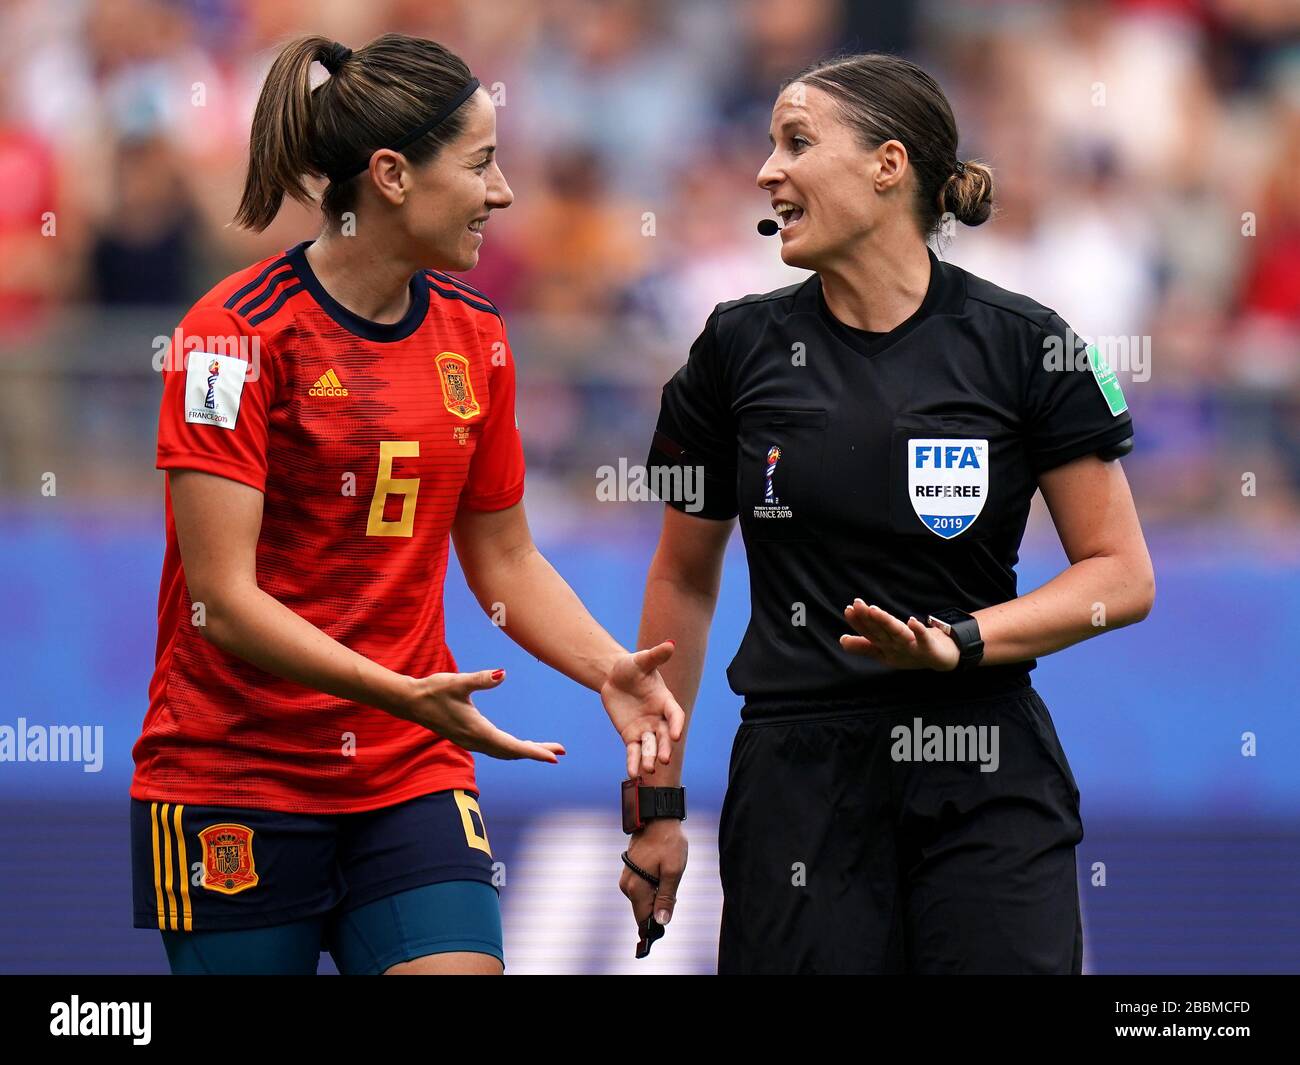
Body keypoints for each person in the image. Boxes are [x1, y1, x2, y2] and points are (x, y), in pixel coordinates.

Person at [130, 33, 683, 976]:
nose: (503, 193)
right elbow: (218, 600)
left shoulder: (480, 337)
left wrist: (606, 670)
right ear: (390, 175)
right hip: (234, 774)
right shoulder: (229, 337)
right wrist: (399, 689)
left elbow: (504, 558)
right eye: (481, 164)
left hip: (408, 767)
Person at [622, 52, 1155, 974]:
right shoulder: (732, 350)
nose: (766, 171)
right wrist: (657, 805)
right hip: (797, 779)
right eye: (768, 147)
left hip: (986, 766)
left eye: (796, 143)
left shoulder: (1028, 344)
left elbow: (1123, 575)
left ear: (888, 164)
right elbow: (680, 577)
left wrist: (963, 638)